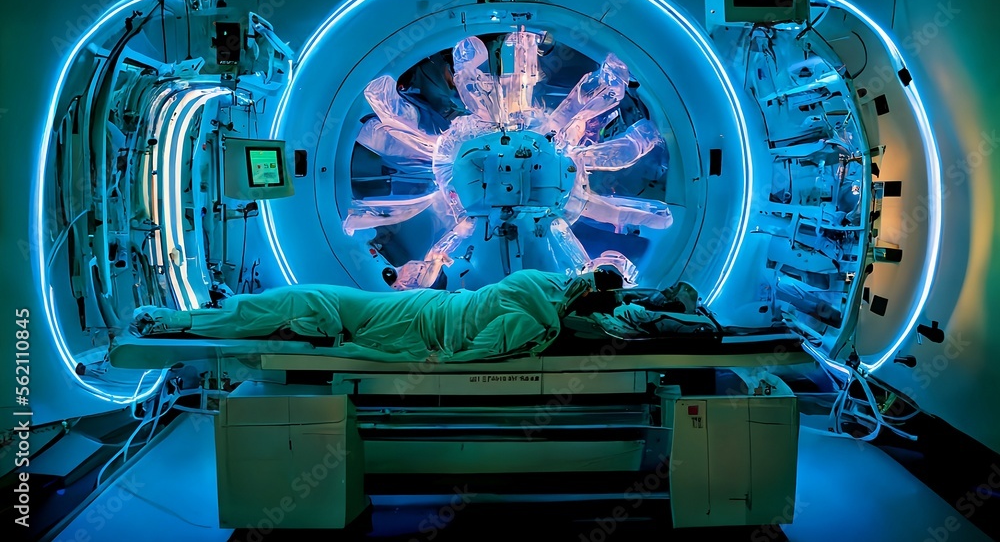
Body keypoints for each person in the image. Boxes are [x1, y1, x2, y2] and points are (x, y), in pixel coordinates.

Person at [134, 268, 708, 362]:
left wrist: (435, 359)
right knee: (278, 307)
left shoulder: (544, 303)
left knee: (276, 307)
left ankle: (175, 321)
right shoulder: (549, 289)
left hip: (425, 314)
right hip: (420, 308)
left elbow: (472, 353)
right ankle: (661, 306)